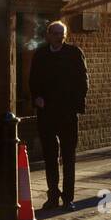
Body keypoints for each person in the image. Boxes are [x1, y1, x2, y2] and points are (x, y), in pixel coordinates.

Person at [29, 20, 89, 210]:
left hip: (67, 113)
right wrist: (36, 97)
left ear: (65, 35)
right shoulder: (40, 55)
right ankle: (53, 195)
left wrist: (75, 104)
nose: (58, 36)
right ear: (48, 35)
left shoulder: (74, 53)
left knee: (68, 157)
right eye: (55, 33)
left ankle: (68, 198)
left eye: (61, 33)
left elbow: (83, 80)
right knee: (50, 156)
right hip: (47, 113)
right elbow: (33, 80)